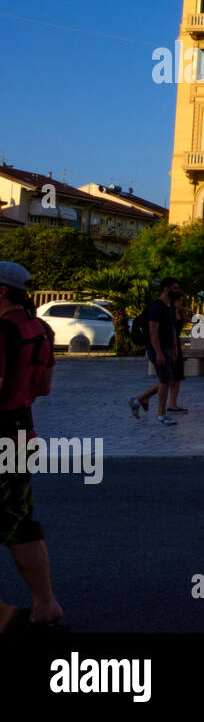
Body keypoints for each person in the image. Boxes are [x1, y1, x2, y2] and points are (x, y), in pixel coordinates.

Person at [0, 262, 63, 631]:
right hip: (23, 433)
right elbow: (43, 388)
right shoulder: (40, 329)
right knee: (19, 523)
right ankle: (45, 605)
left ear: (3, 291)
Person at [128, 278, 184, 425]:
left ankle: (140, 399)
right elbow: (153, 331)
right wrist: (158, 352)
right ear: (166, 288)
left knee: (167, 380)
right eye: (175, 287)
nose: (177, 291)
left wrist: (175, 349)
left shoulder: (170, 307)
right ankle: (161, 414)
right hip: (158, 348)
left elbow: (172, 329)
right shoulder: (156, 307)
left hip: (169, 348)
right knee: (165, 381)